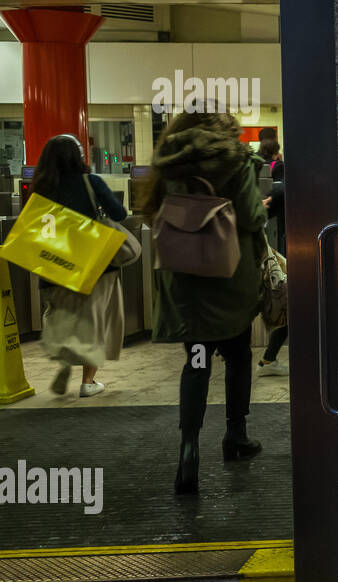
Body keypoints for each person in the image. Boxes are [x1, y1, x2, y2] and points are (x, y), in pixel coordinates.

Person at [141, 105, 267, 495]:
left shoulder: (168, 161)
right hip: (229, 279)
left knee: (196, 362)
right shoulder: (235, 158)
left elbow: (151, 212)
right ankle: (235, 435)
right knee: (238, 355)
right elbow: (249, 217)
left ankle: (189, 449)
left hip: (186, 283)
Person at [31, 134, 126, 398]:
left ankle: (63, 361)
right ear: (79, 157)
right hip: (92, 265)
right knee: (95, 322)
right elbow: (119, 214)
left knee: (64, 318)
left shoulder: (40, 188)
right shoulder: (90, 181)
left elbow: (36, 229)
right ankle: (88, 382)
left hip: (55, 266)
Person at [256, 140, 288, 376]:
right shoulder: (283, 189)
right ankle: (268, 359)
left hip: (292, 254)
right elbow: (258, 213)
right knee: (292, 307)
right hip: (294, 257)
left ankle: (269, 359)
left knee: (292, 308)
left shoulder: (281, 189)